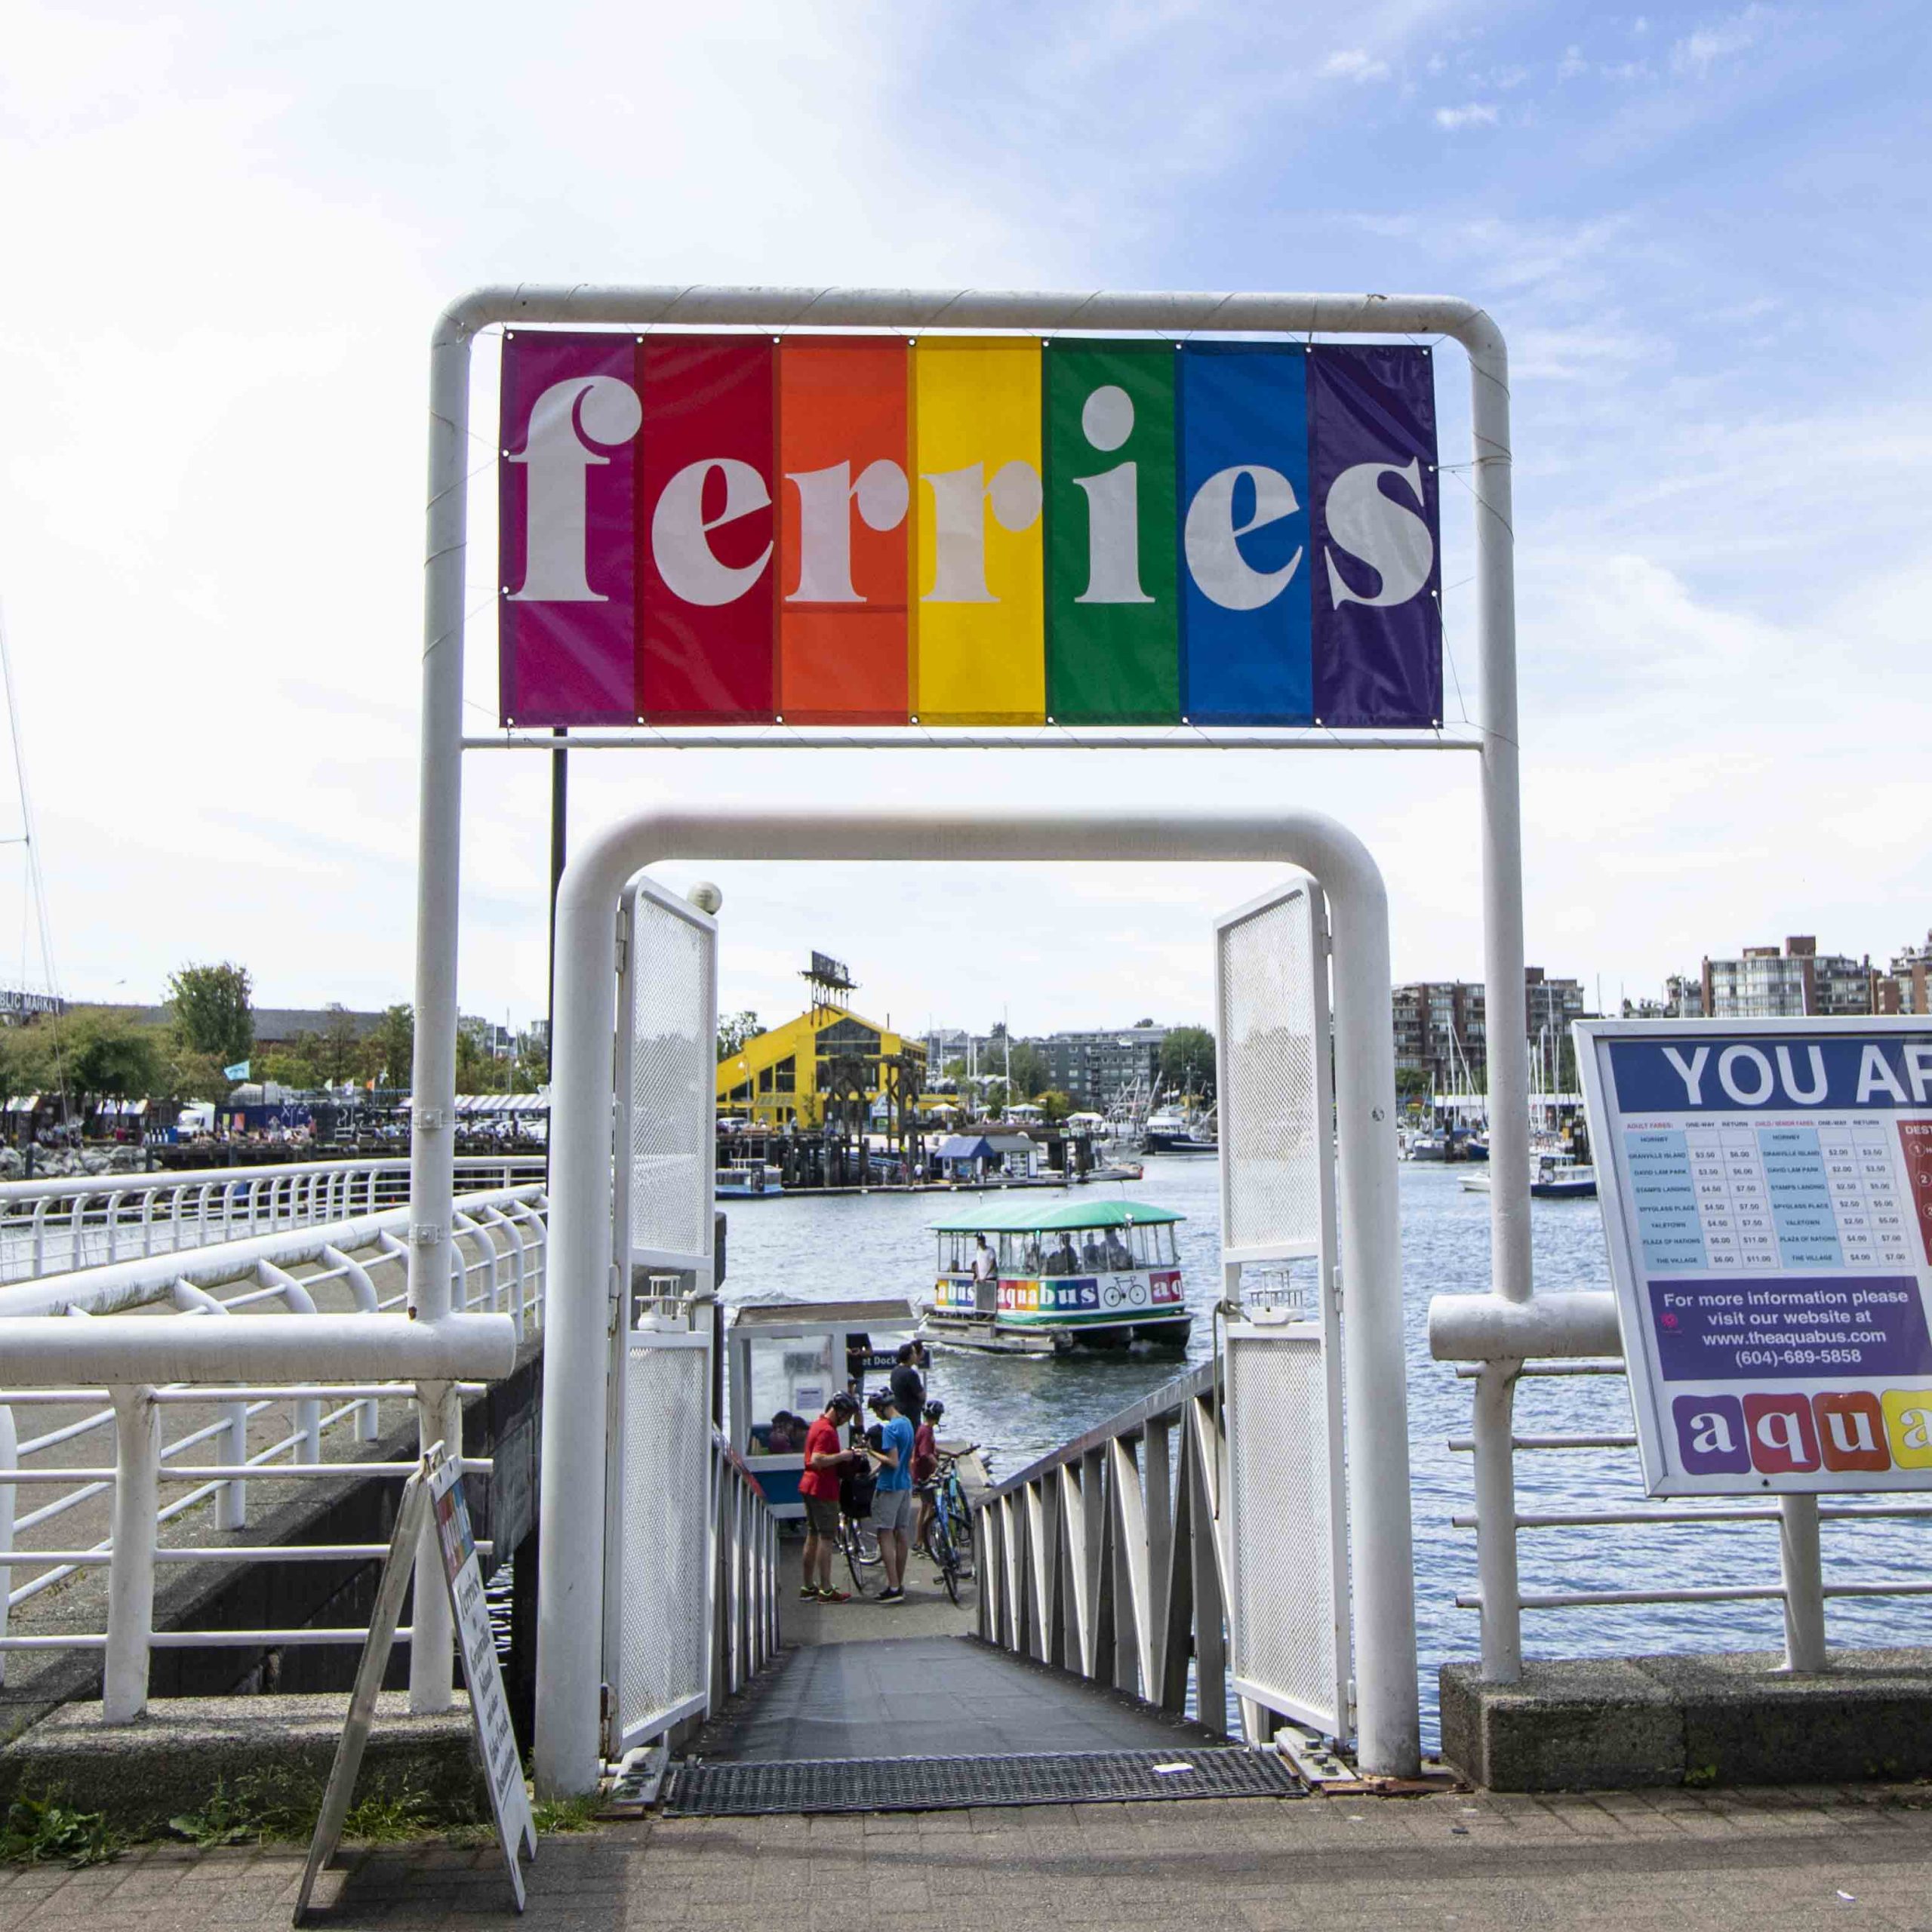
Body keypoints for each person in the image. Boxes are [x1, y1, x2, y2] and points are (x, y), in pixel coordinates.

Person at [797, 1393, 863, 1603]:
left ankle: (808, 1586)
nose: (847, 1421)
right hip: (822, 1488)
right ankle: (826, 1590)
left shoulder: (818, 1424)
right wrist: (844, 1456)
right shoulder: (827, 1431)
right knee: (826, 1537)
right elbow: (817, 1460)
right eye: (847, 1416)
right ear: (840, 1412)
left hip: (808, 1486)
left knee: (813, 1534)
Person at [863, 1387, 915, 1603]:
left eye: (876, 1410)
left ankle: (893, 1587)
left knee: (885, 1533)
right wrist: (874, 1471)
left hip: (890, 1486)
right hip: (905, 1484)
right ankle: (899, 1582)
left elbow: (892, 1461)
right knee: (901, 1533)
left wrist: (871, 1452)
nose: (876, 1415)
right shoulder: (907, 1423)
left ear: (882, 1408)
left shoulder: (890, 1430)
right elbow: (903, 1460)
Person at [912, 1398, 943, 1556]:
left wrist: (949, 1453)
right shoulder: (926, 1431)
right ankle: (925, 1543)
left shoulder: (923, 1429)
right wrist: (938, 1465)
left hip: (920, 1474)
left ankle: (920, 1540)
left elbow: (931, 1447)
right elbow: (925, 1453)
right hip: (925, 1475)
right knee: (930, 1508)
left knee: (925, 1507)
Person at [890, 1342, 925, 1429]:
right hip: (911, 1414)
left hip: (898, 1410)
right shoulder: (911, 1374)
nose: (916, 1355)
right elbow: (921, 1395)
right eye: (914, 1353)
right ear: (909, 1356)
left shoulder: (895, 1371)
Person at [970, 1233, 998, 1315]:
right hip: (981, 1278)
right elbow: (977, 1264)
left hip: (990, 1277)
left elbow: (993, 1263)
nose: (980, 1244)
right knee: (981, 1296)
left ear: (984, 1242)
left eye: (981, 1242)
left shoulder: (990, 1250)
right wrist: (978, 1275)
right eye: (978, 1242)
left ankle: (990, 1313)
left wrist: (986, 1275)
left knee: (989, 1296)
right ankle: (982, 1313)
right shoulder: (978, 1251)